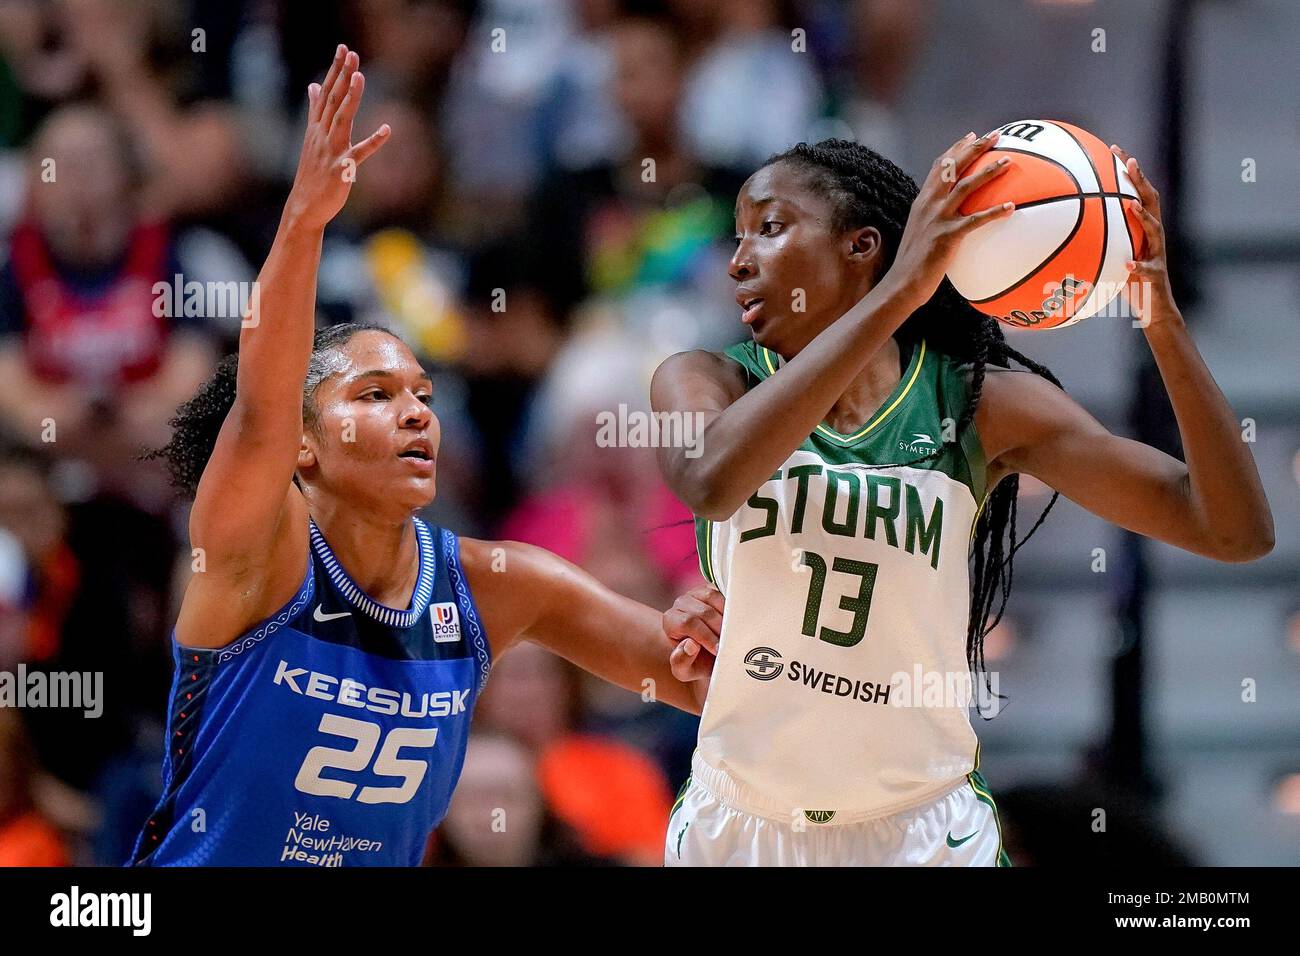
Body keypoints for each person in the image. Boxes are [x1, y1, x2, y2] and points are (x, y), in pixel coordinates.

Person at [128, 47, 707, 867]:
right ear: (305, 446)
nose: (414, 415)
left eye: (423, 398)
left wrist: (719, 631)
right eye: (374, 396)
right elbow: (260, 410)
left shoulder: (492, 585)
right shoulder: (254, 554)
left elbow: (688, 679)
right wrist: (306, 219)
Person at [651, 132, 1274, 866]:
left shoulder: (978, 405)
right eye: (739, 235)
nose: (738, 260)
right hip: (743, 824)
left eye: (771, 226)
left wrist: (1162, 322)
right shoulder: (704, 381)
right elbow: (712, 481)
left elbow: (1235, 531)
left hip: (926, 832)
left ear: (864, 246)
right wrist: (899, 295)